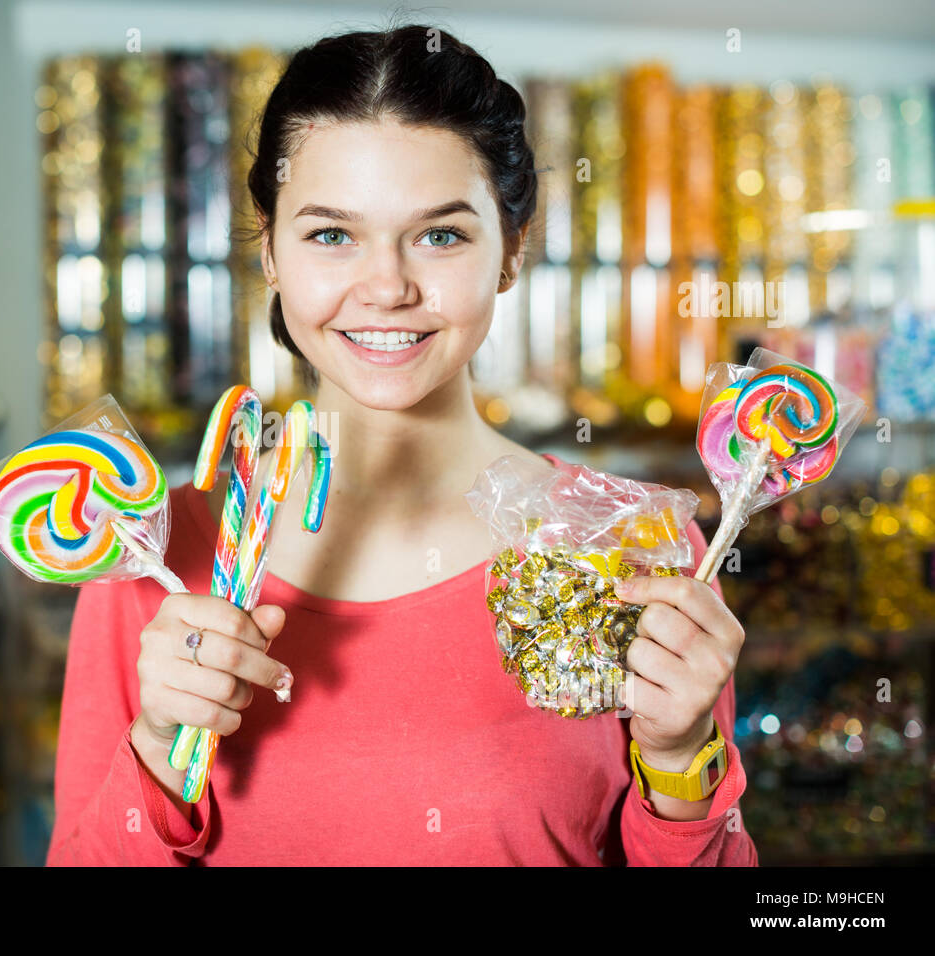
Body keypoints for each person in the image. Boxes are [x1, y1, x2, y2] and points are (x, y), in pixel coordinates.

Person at [47, 23, 757, 865]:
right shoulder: (146, 558)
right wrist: (162, 749)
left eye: (442, 235)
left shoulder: (634, 546)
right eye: (331, 235)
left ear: (511, 251)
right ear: (270, 251)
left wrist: (679, 762)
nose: (386, 287)